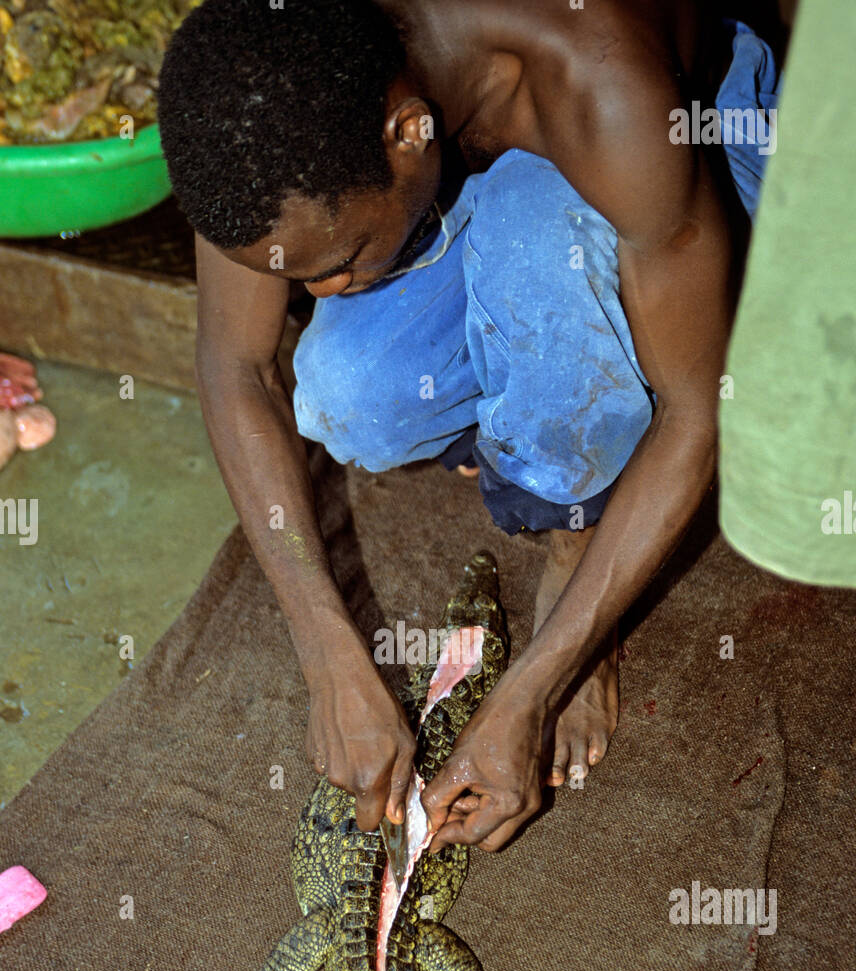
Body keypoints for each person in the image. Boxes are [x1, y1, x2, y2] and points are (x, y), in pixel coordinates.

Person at [158, 0, 779, 853]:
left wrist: (529, 692)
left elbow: (697, 410)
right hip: (460, 170)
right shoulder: (263, 83)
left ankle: (572, 528)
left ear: (407, 129)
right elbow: (237, 365)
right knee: (346, 389)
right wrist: (328, 655)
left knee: (534, 227)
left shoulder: (602, 79)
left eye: (335, 267)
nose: (321, 298)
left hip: (701, 139)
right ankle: (531, 399)